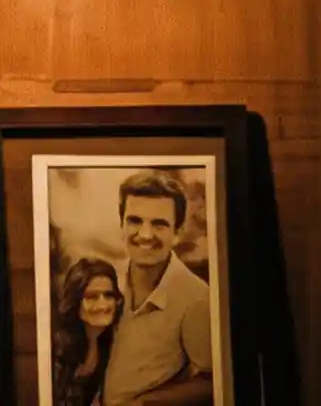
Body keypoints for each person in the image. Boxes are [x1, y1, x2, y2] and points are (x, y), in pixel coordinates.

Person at [102, 171, 214, 405]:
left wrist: (147, 403)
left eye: (159, 224)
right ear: (121, 223)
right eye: (135, 221)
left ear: (178, 232)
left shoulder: (197, 298)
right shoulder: (106, 281)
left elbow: (212, 381)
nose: (145, 234)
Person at [52, 258, 123, 406]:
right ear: (75, 301)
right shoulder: (59, 349)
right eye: (92, 297)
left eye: (108, 295)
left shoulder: (113, 344)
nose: (103, 305)